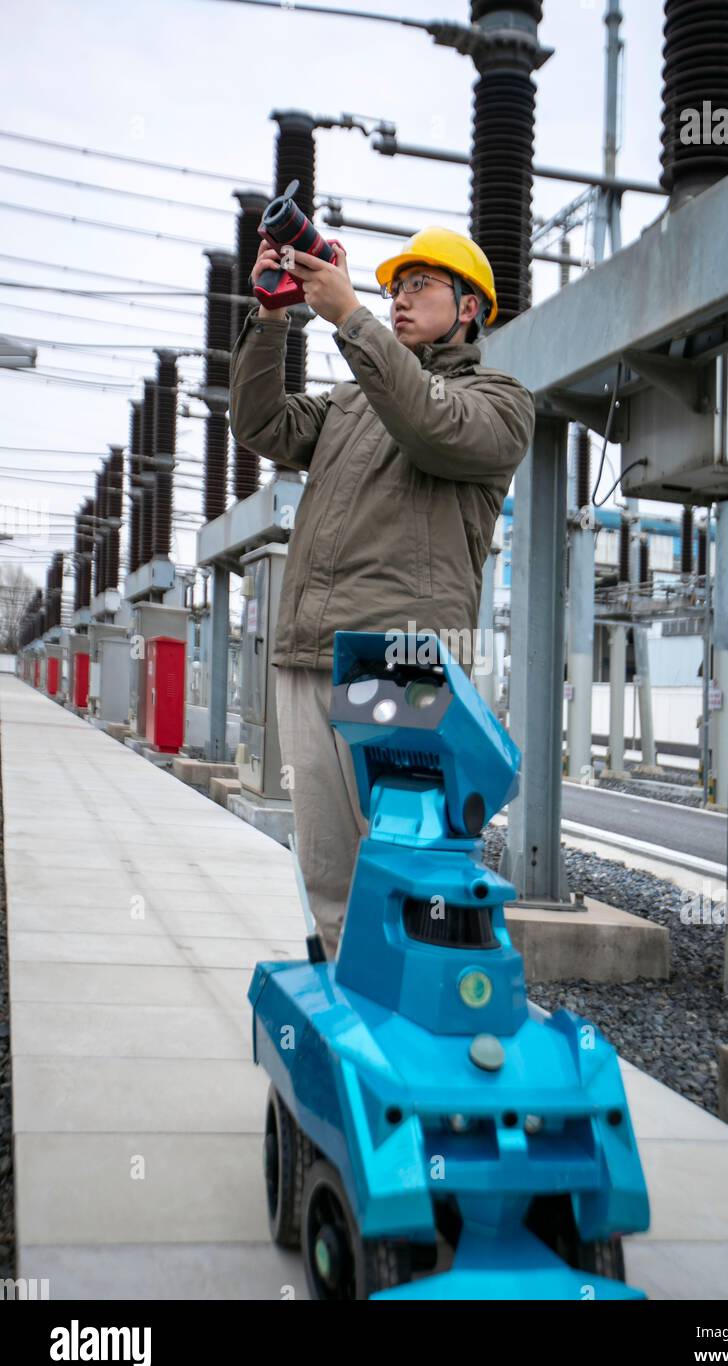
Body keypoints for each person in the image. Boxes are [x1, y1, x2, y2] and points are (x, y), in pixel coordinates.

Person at [229, 226, 535, 959]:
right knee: (327, 868)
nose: (398, 298)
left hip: (397, 661)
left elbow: (429, 422)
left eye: (418, 286)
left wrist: (348, 317)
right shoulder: (350, 402)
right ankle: (349, 1015)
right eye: (393, 288)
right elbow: (260, 423)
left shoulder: (499, 401)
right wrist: (271, 320)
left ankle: (422, 1031)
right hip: (309, 654)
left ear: (468, 308)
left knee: (406, 860)